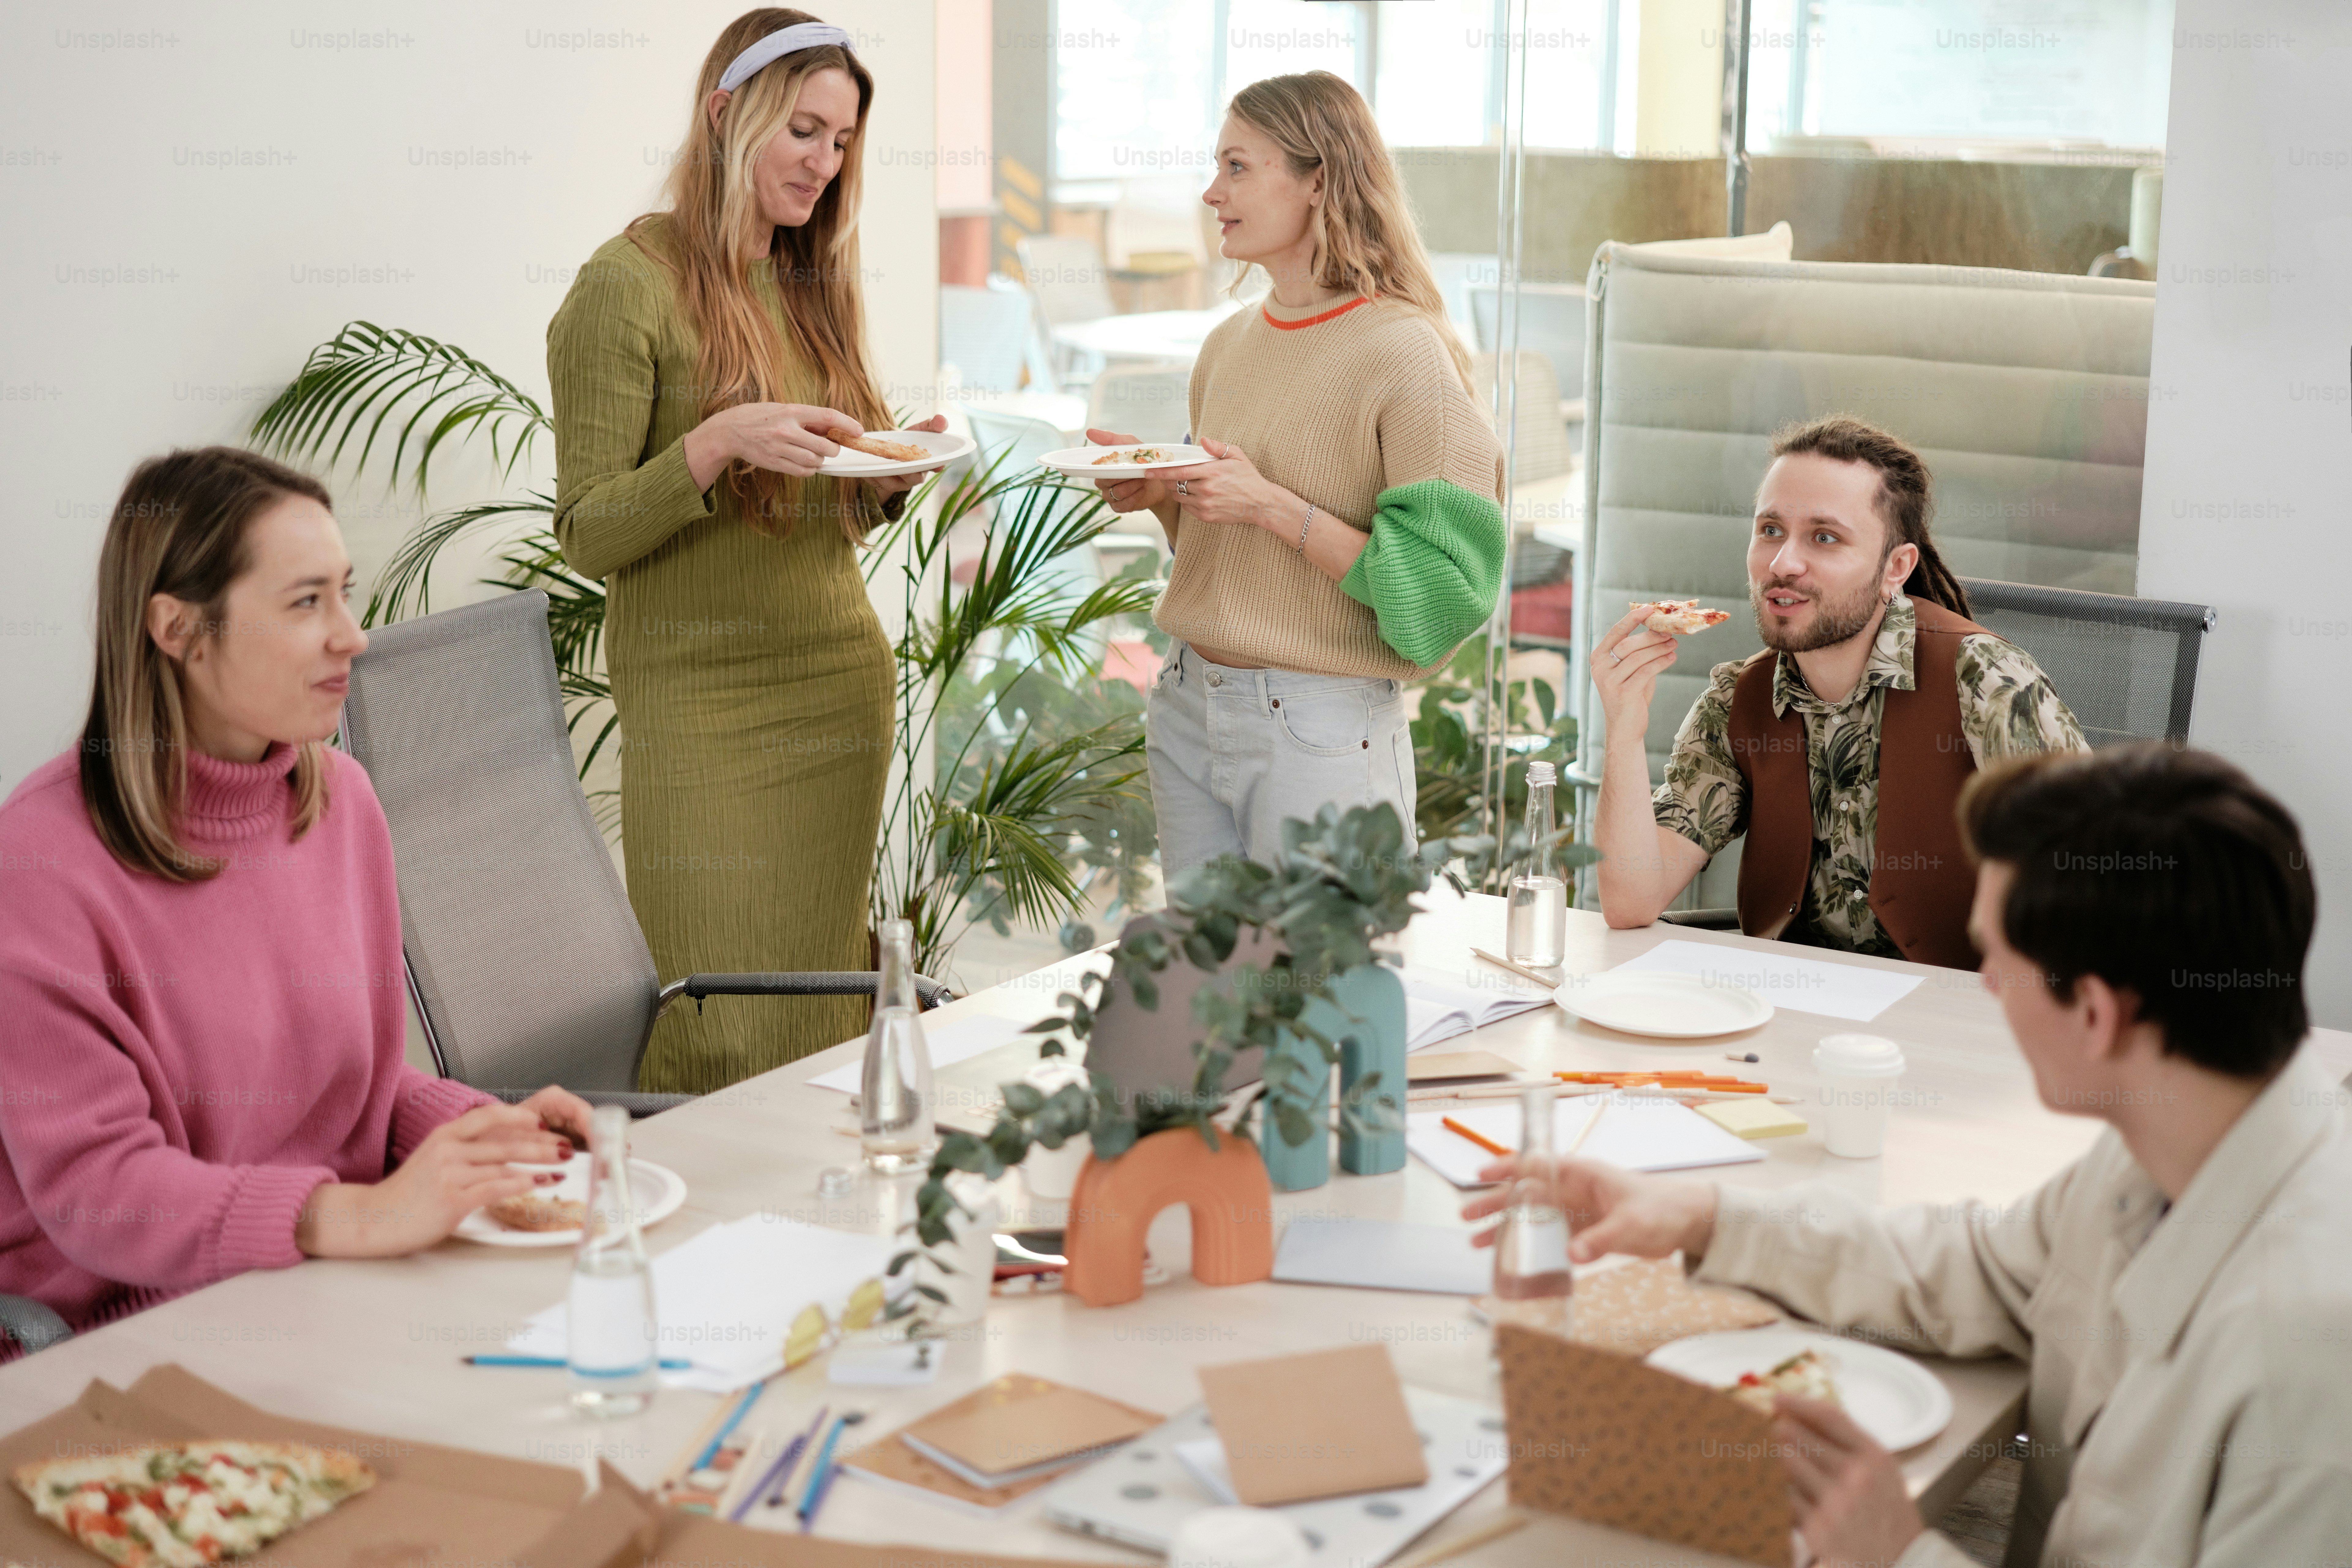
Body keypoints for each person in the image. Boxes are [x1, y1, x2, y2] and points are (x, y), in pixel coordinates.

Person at [1469, 744, 2352, 1567]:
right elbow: (1974, 1266)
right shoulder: (2165, 1152)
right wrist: (1702, 1217)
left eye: (1996, 960)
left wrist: (1900, 1552)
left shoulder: (2305, 1360)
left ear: (2095, 1015)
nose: (1986, 986)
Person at [0, 448, 594, 1340]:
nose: (353, 636)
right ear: (178, 629)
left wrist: (483, 1137)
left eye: (343, 593)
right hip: (127, 1334)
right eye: (306, 602)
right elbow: (102, 1193)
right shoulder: (38, 864)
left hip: (322, 1284)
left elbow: (341, 1086)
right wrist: (359, 1215)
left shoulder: (343, 804)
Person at [547, 9, 940, 1091]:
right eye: (803, 131)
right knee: (712, 1010)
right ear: (725, 115)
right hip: (698, 699)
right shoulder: (624, 285)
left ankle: (816, 1193)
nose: (825, 163)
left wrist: (886, 479)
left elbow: (828, 503)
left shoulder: (812, 279)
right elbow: (586, 530)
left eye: (841, 141)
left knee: (821, 1001)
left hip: (835, 682)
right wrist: (714, 443)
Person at [1092, 72, 1505, 878]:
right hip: (1188, 703)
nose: (1212, 192)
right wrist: (1161, 496)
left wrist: (1274, 508)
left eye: (1237, 167)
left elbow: (1442, 594)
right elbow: (1216, 553)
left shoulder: (1402, 352)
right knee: (1208, 965)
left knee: (1326, 966)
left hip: (1318, 726)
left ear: (1318, 179)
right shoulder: (1227, 345)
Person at [1592, 415, 2087, 967]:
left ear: (1896, 567)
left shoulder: (1986, 680)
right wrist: (1624, 732)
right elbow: (1631, 900)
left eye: (1824, 537)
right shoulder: (1738, 699)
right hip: (1784, 1004)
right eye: (1770, 530)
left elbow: (2093, 890)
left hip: (1953, 1007)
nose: (1783, 563)